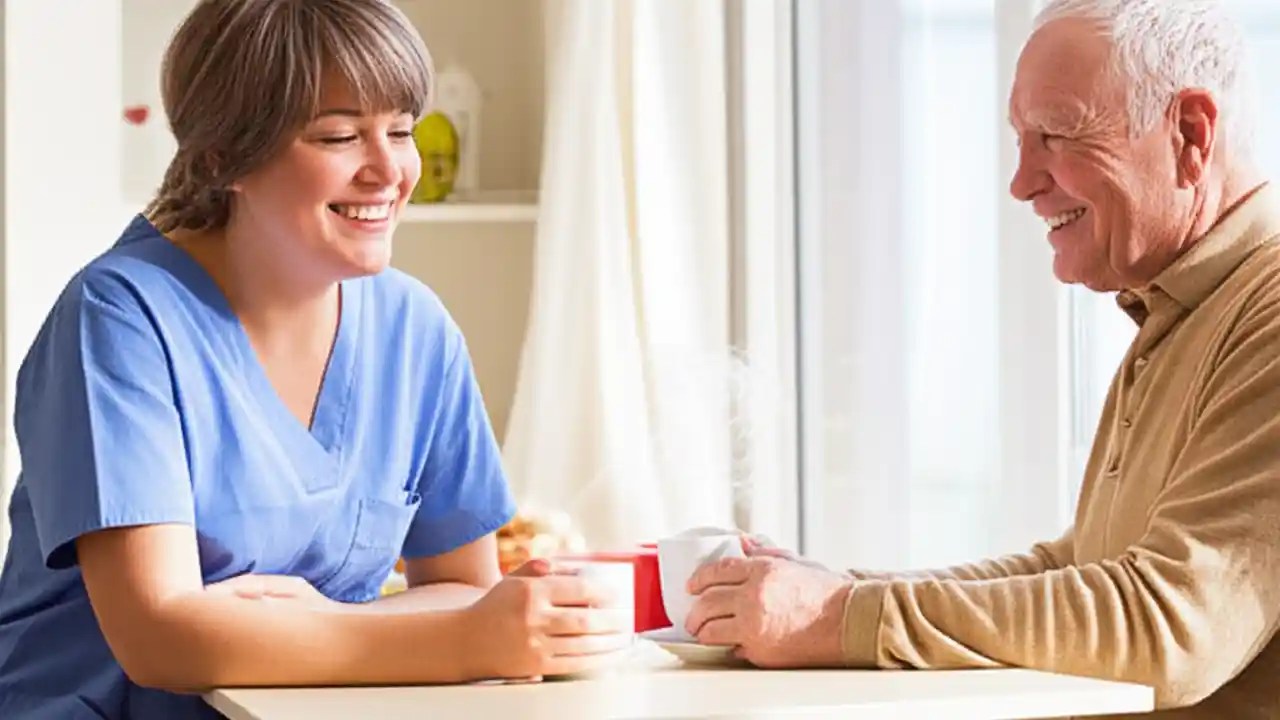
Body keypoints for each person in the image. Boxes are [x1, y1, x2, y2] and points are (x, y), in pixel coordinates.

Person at [0, 2, 629, 718]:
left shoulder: (415, 329)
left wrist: (325, 621)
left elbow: (464, 587)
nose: (390, 170)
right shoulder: (120, 318)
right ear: (219, 159)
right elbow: (159, 638)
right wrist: (460, 640)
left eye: (401, 130)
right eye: (339, 136)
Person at [686, 1, 1280, 717]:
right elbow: (1085, 568)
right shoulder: (1180, 307)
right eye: (1020, 139)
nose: (1022, 181)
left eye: (1055, 135)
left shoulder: (1266, 313)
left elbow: (1167, 625)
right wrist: (840, 591)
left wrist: (839, 617)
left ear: (1190, 133)